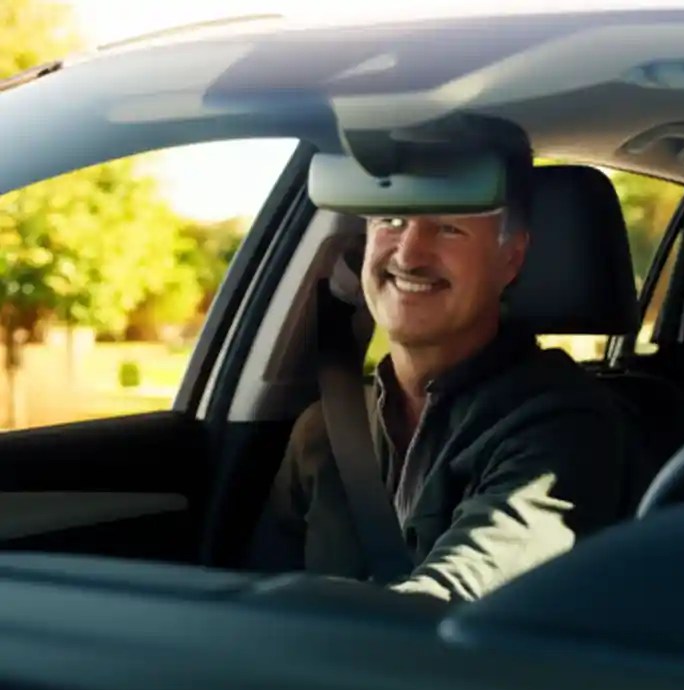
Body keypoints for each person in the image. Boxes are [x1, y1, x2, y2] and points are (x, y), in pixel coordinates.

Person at [250, 132, 645, 604]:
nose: (409, 255)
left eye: (449, 228)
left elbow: (454, 603)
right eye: (392, 220)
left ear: (510, 258)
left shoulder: (568, 427)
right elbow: (255, 601)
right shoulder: (323, 432)